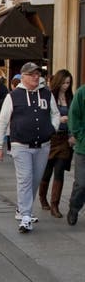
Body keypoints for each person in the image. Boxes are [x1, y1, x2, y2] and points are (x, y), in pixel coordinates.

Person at [0, 62, 60, 233]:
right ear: (23, 77)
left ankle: (22, 209)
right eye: (32, 74)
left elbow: (55, 113)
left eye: (38, 74)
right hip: (20, 145)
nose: (36, 77)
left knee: (35, 179)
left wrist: (53, 128)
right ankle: (25, 216)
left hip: (43, 145)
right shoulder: (13, 96)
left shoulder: (46, 94)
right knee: (25, 179)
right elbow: (2, 121)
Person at [38, 70, 73, 218]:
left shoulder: (70, 97)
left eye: (69, 83)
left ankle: (55, 205)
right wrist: (59, 120)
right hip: (51, 138)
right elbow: (43, 117)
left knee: (59, 172)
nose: (66, 86)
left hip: (65, 139)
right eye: (64, 82)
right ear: (58, 82)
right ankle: (42, 198)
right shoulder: (49, 96)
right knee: (47, 171)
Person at [66, 82, 85, 226]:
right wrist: (80, 136)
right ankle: (74, 207)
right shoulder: (81, 93)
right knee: (82, 183)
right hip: (83, 148)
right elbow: (73, 116)